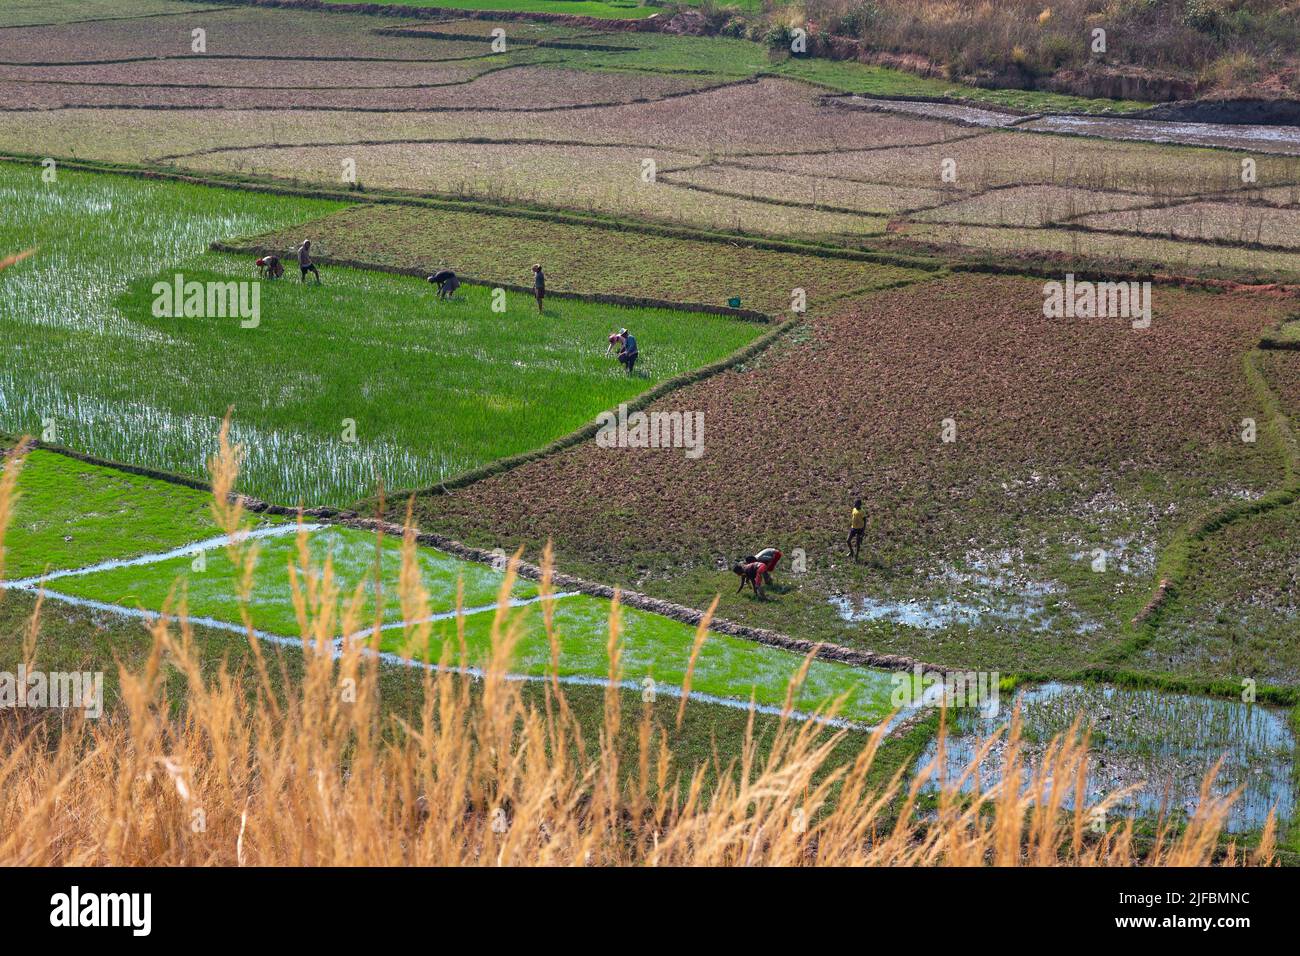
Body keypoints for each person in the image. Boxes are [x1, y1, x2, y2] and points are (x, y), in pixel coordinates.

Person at [848, 498, 866, 563]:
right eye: (854, 503)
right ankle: (851, 552)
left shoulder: (862, 511)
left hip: (859, 529)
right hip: (853, 528)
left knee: (857, 544)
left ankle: (856, 558)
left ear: (860, 505)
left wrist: (863, 531)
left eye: (856, 503)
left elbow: (865, 521)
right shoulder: (854, 509)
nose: (855, 504)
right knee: (848, 541)